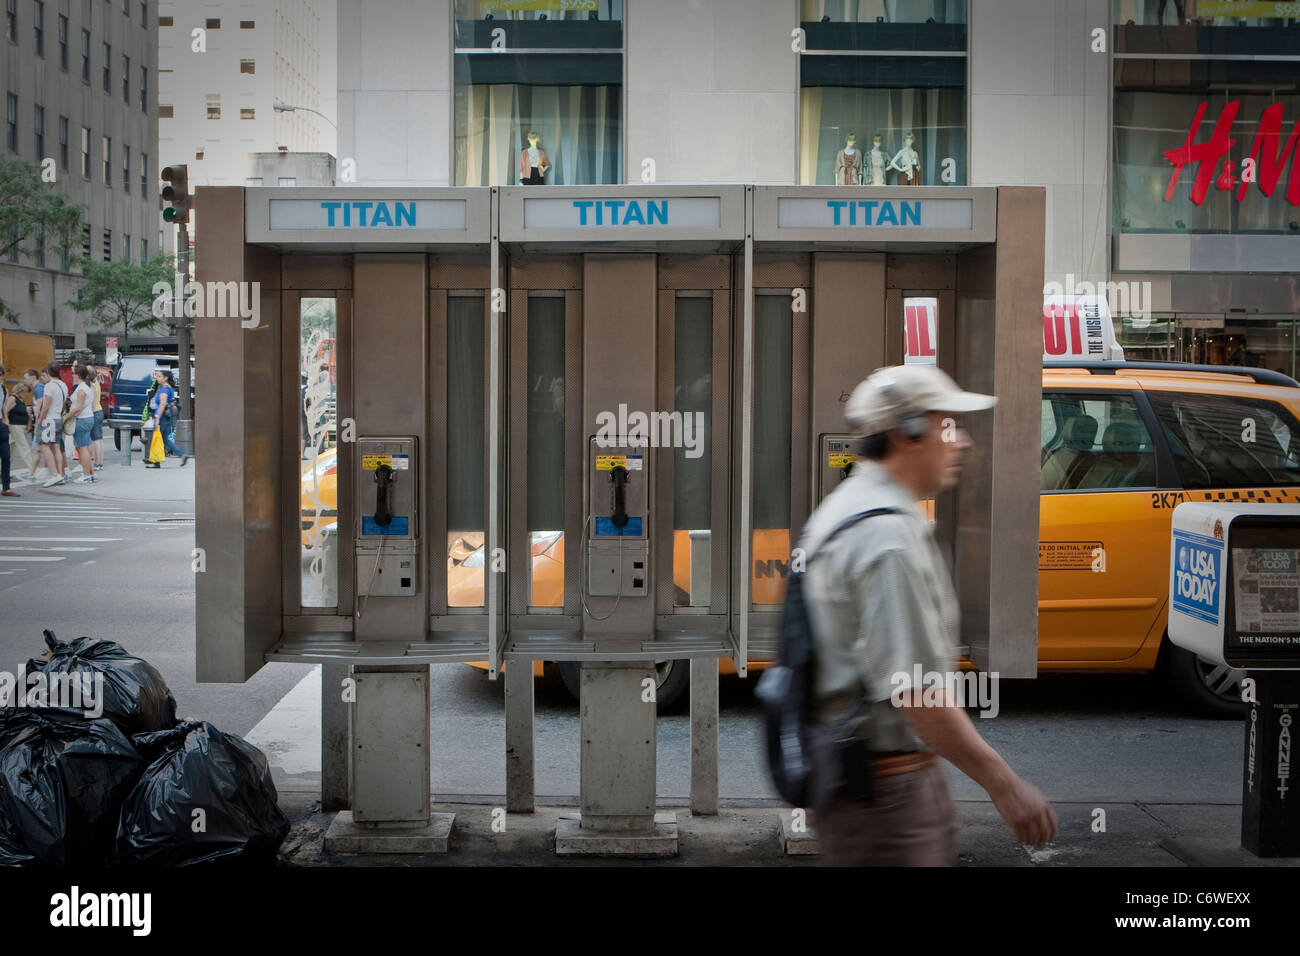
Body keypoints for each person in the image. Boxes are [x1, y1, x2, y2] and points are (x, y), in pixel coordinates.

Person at [803, 365, 1057, 866]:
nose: (961, 441)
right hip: (888, 795)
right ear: (910, 431)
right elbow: (917, 693)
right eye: (948, 425)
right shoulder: (889, 539)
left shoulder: (843, 509)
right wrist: (1005, 785)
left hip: (862, 782)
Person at [145, 369, 187, 468]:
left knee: (158, 438)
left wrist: (157, 417)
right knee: (163, 439)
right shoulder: (169, 388)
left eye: (159, 376)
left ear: (165, 378)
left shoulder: (164, 389)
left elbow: (163, 404)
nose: (157, 378)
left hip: (162, 416)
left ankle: (157, 461)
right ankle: (157, 461)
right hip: (166, 417)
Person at [64, 365, 97, 483]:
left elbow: (78, 407)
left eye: (73, 373)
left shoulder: (81, 388)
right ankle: (91, 473)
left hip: (81, 419)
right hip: (88, 418)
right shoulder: (86, 387)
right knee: (86, 447)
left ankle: (86, 475)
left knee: (82, 448)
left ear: (78, 375)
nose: (72, 375)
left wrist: (66, 417)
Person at [37, 363, 69, 487]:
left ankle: (54, 474)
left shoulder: (49, 386)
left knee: (44, 446)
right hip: (58, 418)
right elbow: (64, 404)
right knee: (56, 447)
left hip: (49, 419)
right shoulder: (63, 385)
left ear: (49, 373)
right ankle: (60, 474)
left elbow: (46, 406)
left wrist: (40, 420)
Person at [5, 382, 35, 476]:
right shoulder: (12, 398)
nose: (26, 394)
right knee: (24, 447)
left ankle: (3, 470)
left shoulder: (20, 399)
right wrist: (5, 421)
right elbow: (5, 410)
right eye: (25, 392)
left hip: (20, 426)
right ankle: (32, 469)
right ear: (20, 390)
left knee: (10, 450)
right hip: (15, 426)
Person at [0, 365, 16, 497]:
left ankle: (6, 487)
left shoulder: (4, 390)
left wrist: (5, 418)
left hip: (1, 425)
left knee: (6, 457)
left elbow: (4, 407)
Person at [88, 363, 106, 470]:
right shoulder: (96, 382)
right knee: (99, 439)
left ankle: (97, 463)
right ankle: (100, 462)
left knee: (95, 440)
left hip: (94, 412)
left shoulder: (90, 385)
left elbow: (90, 402)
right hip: (99, 410)